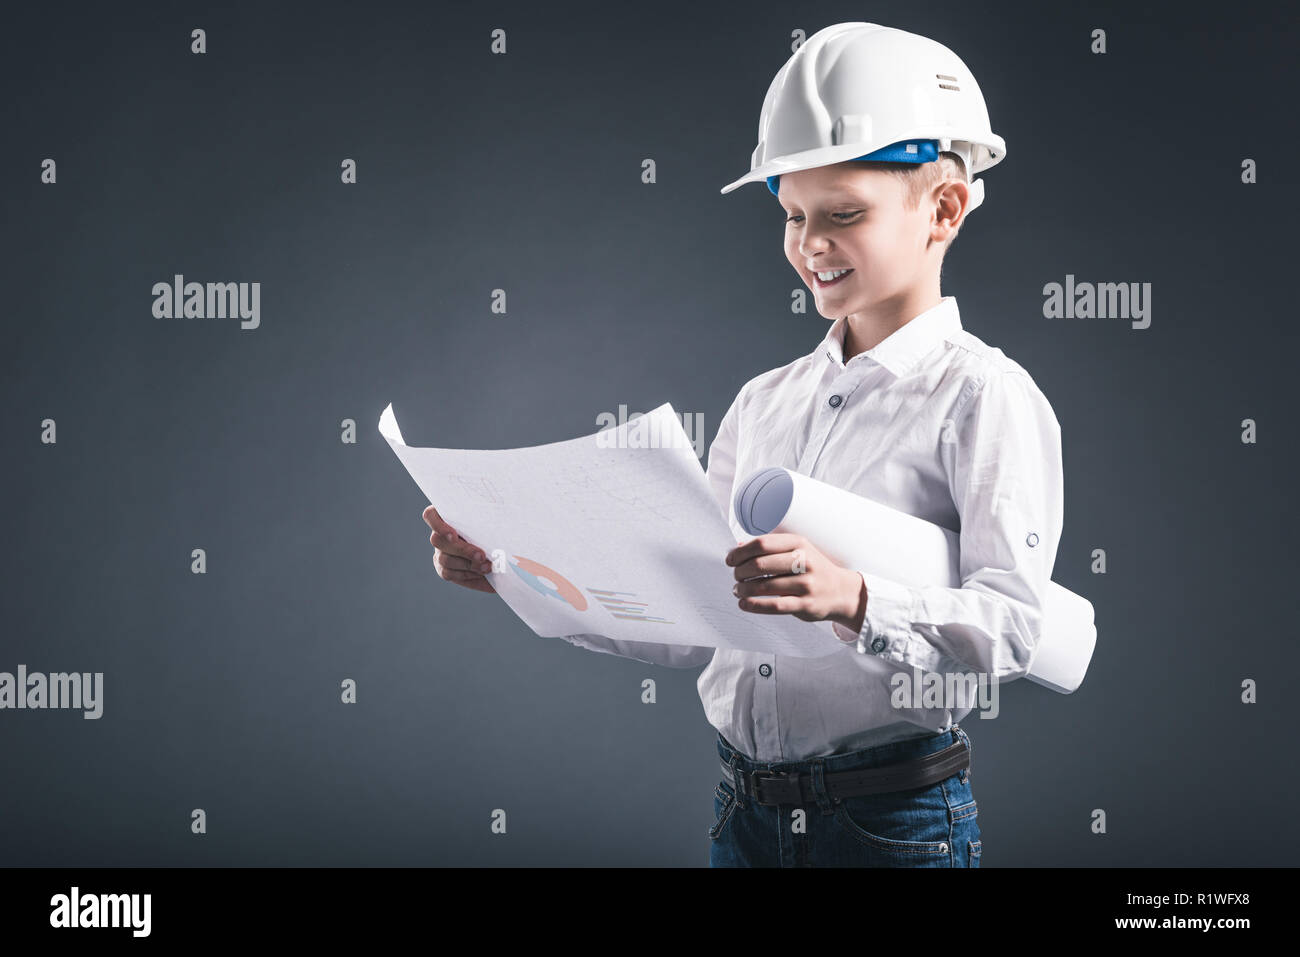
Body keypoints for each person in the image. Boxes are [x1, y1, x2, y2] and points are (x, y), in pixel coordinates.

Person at [424, 22, 1064, 868]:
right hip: (746, 810)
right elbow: (696, 614)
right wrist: (514, 571)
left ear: (943, 208)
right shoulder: (765, 401)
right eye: (792, 214)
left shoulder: (983, 397)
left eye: (843, 214)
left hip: (893, 819)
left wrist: (856, 598)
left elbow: (1017, 625)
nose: (809, 243)